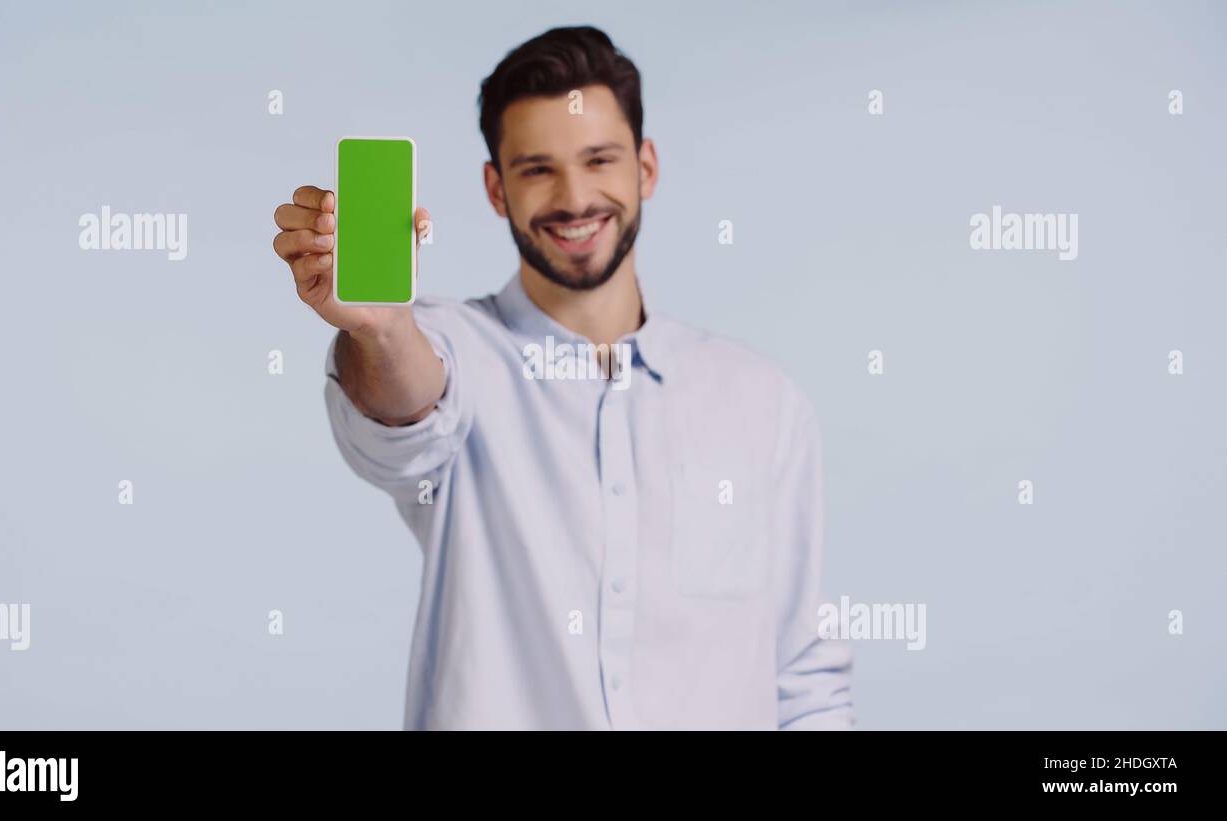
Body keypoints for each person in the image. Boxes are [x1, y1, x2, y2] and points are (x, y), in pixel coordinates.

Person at [272, 25, 853, 730]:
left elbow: (803, 679)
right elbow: (406, 414)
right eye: (538, 168)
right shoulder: (456, 349)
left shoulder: (762, 402)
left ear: (646, 168)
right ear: (496, 188)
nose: (575, 198)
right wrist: (383, 328)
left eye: (599, 159)